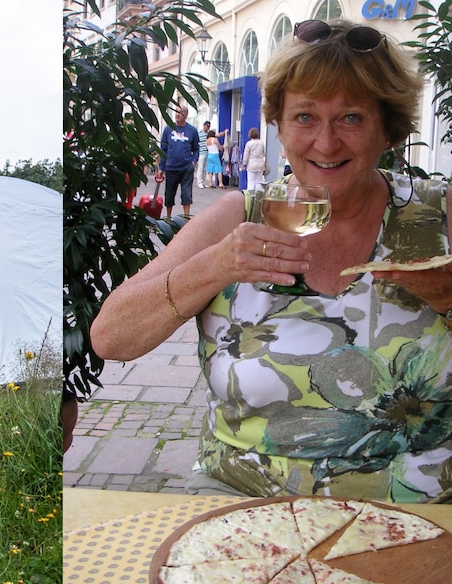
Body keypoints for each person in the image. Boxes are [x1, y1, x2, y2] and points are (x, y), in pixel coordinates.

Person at [91, 20, 452, 503]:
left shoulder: (440, 216)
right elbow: (110, 337)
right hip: (241, 500)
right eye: (305, 117)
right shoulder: (237, 216)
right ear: (278, 124)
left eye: (351, 118)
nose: (325, 143)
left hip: (416, 510)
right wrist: (214, 266)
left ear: (388, 127)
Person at [158, 106, 201, 219]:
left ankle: (186, 218)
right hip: (171, 168)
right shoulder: (168, 129)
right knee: (169, 195)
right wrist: (161, 168)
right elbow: (163, 149)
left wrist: (193, 162)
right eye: (176, 112)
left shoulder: (192, 130)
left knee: (186, 195)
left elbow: (196, 148)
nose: (177, 114)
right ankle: (168, 218)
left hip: (186, 168)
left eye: (180, 112)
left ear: (186, 115)